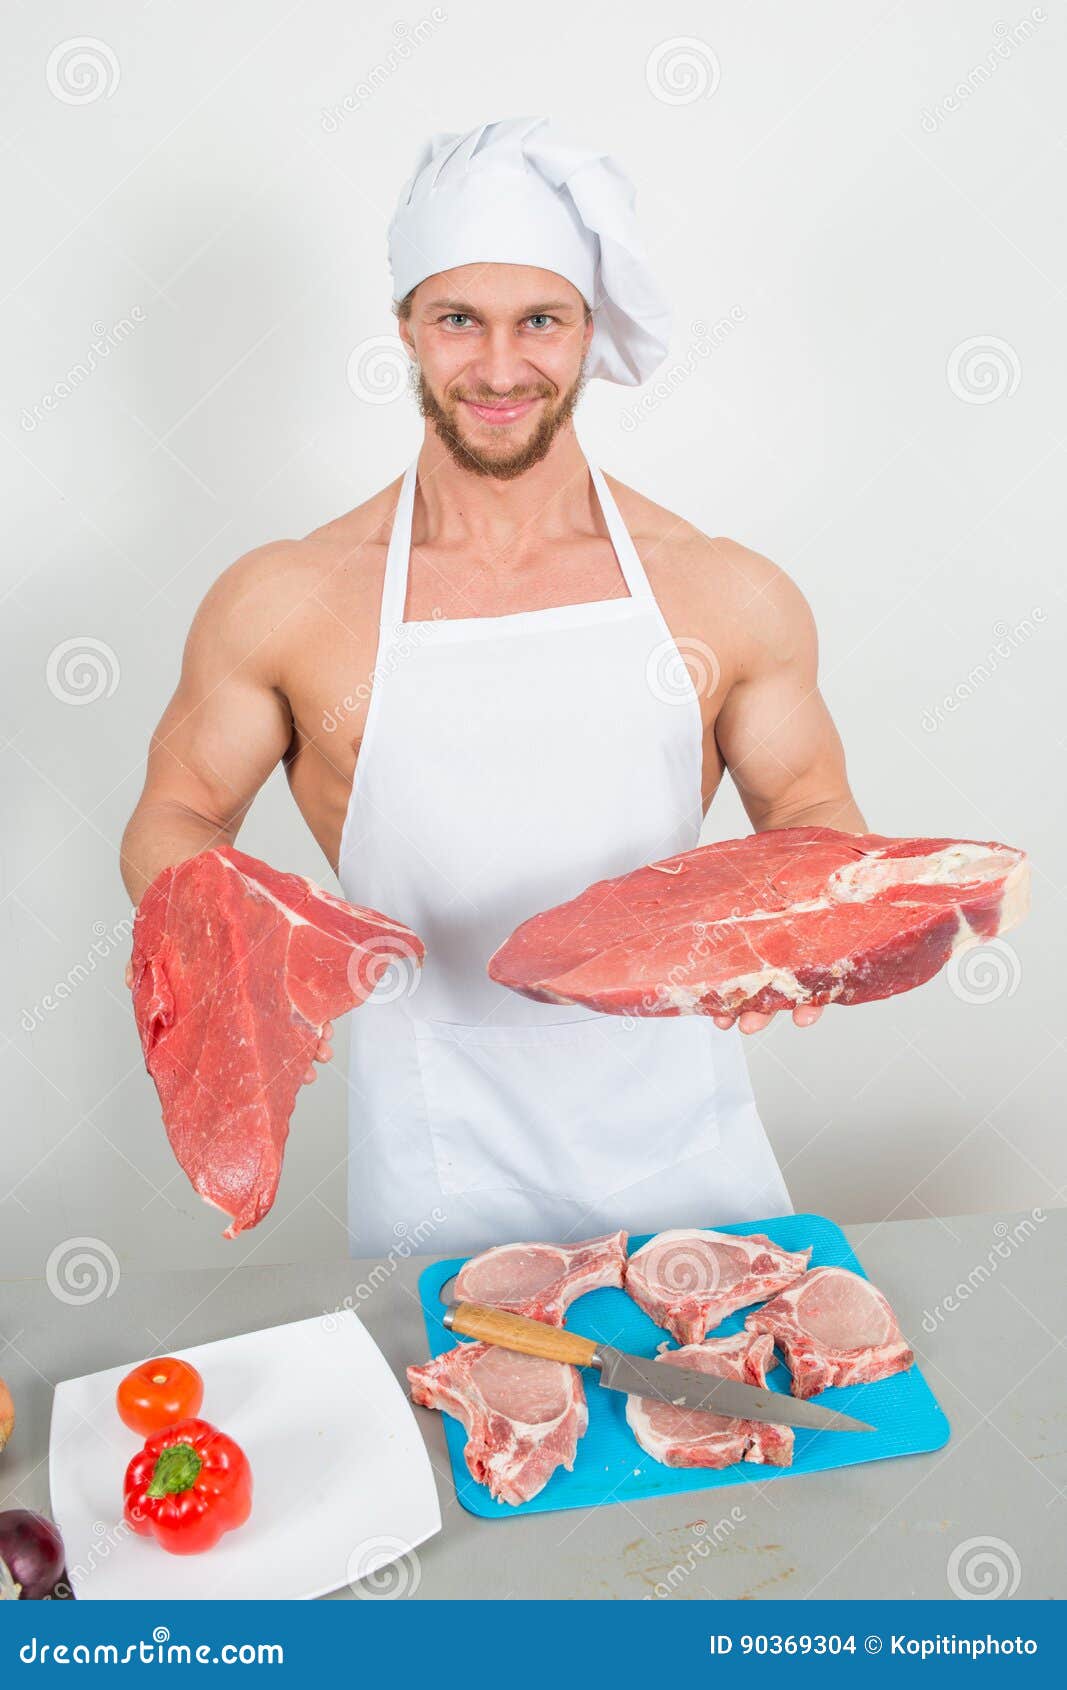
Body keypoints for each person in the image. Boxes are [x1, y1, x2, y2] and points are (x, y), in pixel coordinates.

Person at [121, 117, 865, 1257]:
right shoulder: (287, 597)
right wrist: (235, 933)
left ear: (588, 330)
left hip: (692, 1157)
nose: (502, 367)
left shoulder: (724, 591)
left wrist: (800, 928)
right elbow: (175, 813)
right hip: (436, 1164)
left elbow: (812, 806)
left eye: (540, 321)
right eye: (459, 319)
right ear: (407, 329)